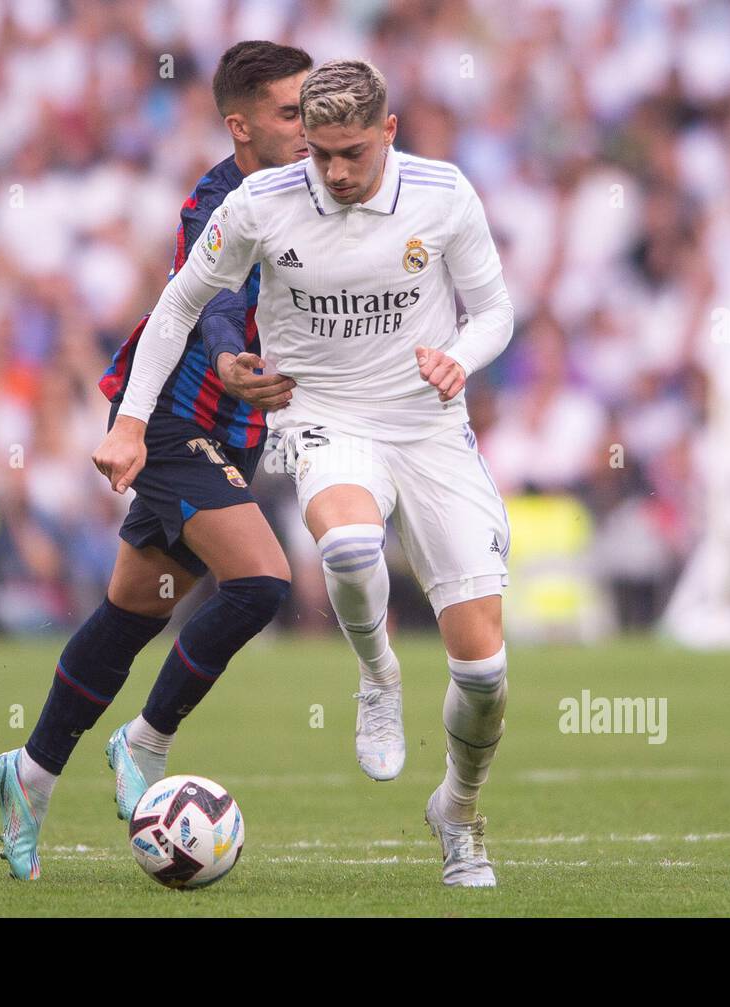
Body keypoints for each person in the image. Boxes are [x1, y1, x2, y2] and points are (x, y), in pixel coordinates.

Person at [94, 59, 515, 887]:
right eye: (319, 154)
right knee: (351, 544)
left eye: (352, 153)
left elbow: (495, 308)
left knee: (484, 672)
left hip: (429, 426)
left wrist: (458, 359)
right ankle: (378, 674)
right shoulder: (263, 202)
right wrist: (134, 422)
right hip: (325, 417)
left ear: (389, 132)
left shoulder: (444, 193)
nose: (334, 172)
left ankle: (459, 811)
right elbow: (180, 301)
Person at [0, 41, 312, 881]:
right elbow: (207, 305)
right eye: (289, 112)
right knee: (263, 582)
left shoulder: (323, 188)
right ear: (240, 126)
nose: (308, 127)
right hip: (173, 420)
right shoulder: (219, 200)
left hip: (235, 433)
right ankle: (146, 739)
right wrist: (230, 360)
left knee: (134, 611)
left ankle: (27, 773)